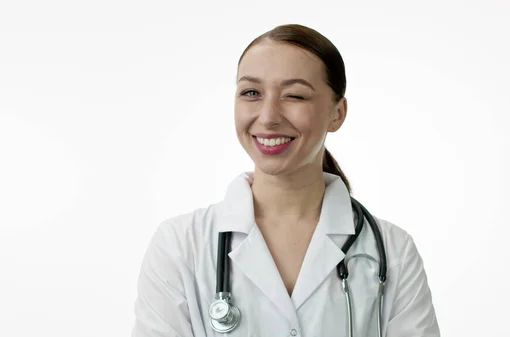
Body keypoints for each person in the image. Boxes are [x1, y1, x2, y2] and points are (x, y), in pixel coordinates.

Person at [131, 24, 440, 337]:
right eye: (251, 93)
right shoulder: (180, 246)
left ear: (337, 113)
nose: (268, 117)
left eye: (294, 95)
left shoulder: (392, 250)